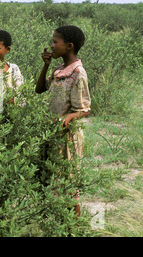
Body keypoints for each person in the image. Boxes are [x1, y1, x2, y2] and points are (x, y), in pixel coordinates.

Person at [35, 25, 91, 217]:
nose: (51, 46)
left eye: (55, 42)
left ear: (69, 46)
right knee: (53, 180)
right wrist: (46, 65)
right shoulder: (60, 70)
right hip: (53, 134)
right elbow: (39, 89)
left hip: (67, 137)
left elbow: (84, 109)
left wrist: (68, 117)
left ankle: (75, 226)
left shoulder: (78, 73)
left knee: (69, 183)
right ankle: (59, 223)